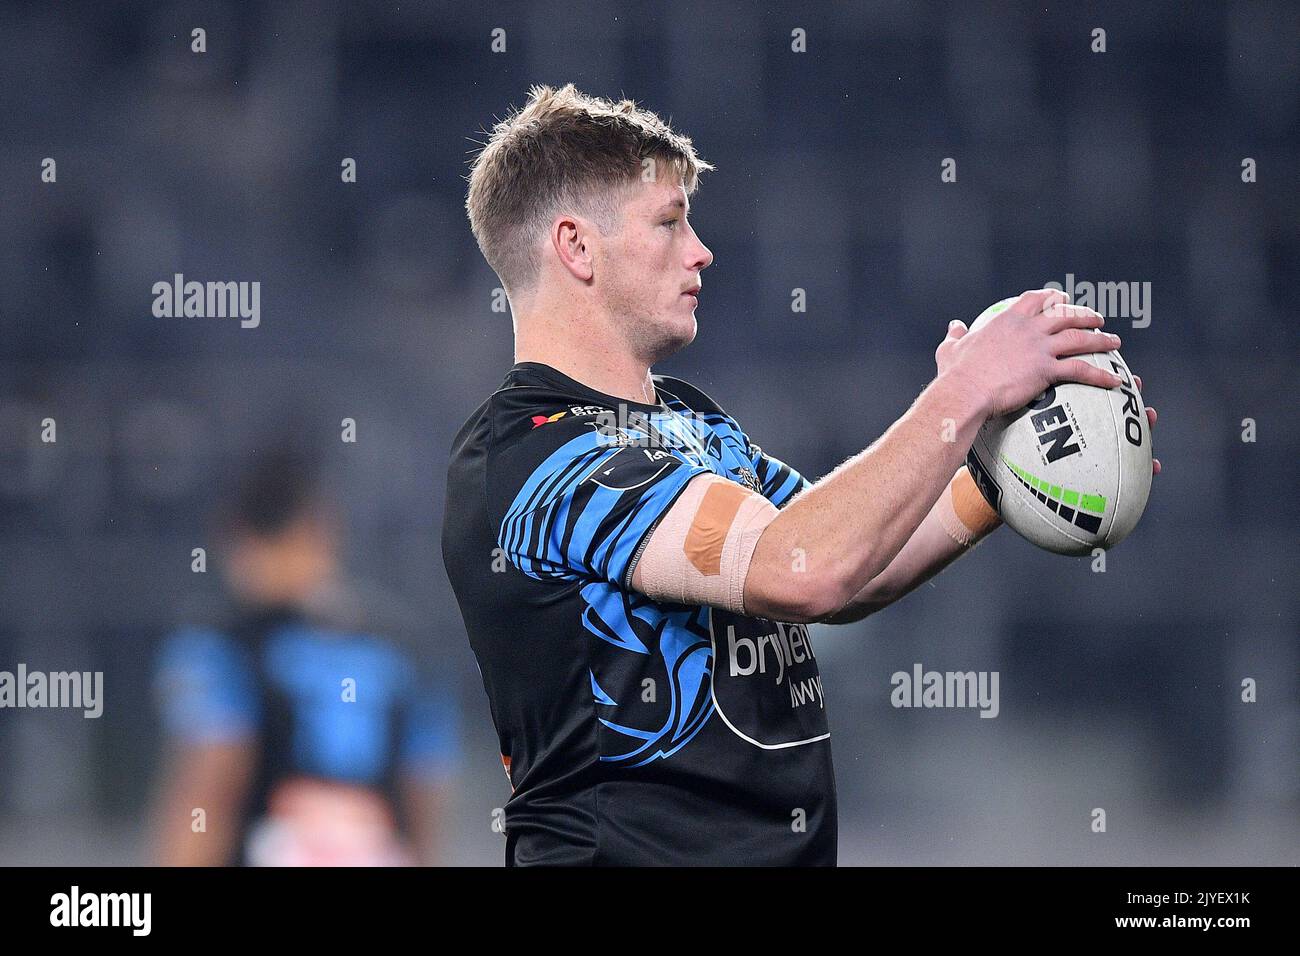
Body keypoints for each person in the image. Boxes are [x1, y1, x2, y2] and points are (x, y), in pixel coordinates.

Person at [442, 84, 1160, 866]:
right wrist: (963, 392)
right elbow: (801, 569)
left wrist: (1002, 468)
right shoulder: (536, 453)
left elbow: (848, 565)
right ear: (577, 247)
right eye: (670, 221)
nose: (701, 249)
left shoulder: (690, 421)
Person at [149, 443, 461, 865]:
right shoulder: (403, 647)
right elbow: (424, 795)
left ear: (239, 540)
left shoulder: (222, 643)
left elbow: (211, 789)